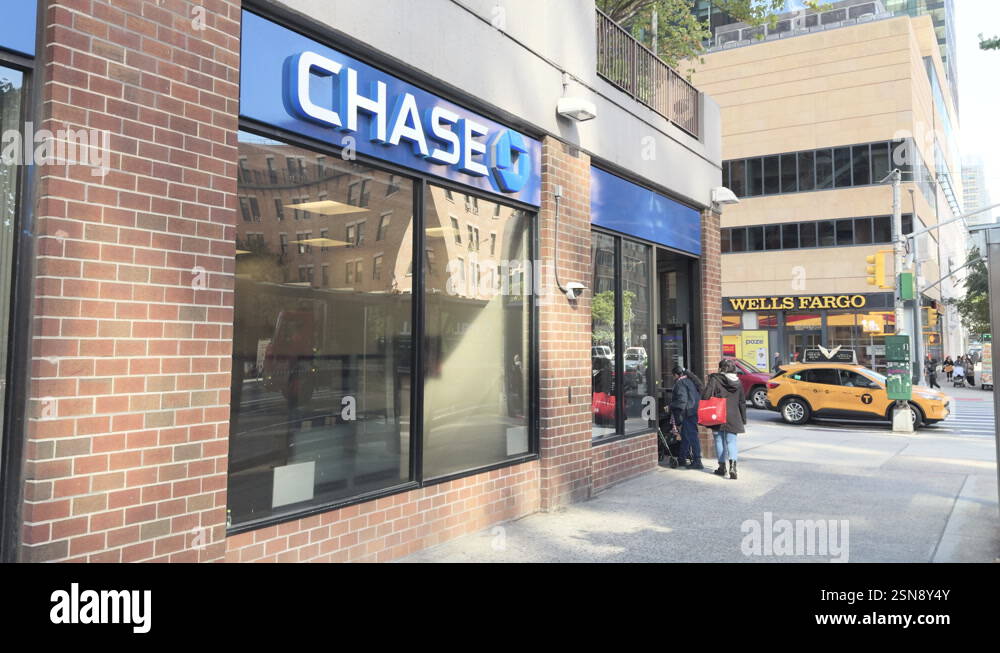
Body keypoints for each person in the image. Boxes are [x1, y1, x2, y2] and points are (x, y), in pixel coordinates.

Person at [701, 358, 747, 480]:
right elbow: (742, 402)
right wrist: (743, 418)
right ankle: (733, 467)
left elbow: (705, 395)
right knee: (731, 442)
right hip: (734, 415)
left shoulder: (715, 379)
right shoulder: (738, 382)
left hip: (717, 414)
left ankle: (722, 467)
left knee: (718, 440)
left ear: (720, 368)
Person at [669, 366, 703, 469]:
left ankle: (697, 461)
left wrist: (670, 406)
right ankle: (682, 458)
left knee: (692, 437)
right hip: (692, 411)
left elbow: (682, 401)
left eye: (673, 376)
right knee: (686, 436)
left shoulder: (680, 384)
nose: (673, 378)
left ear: (676, 375)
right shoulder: (689, 381)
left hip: (687, 413)